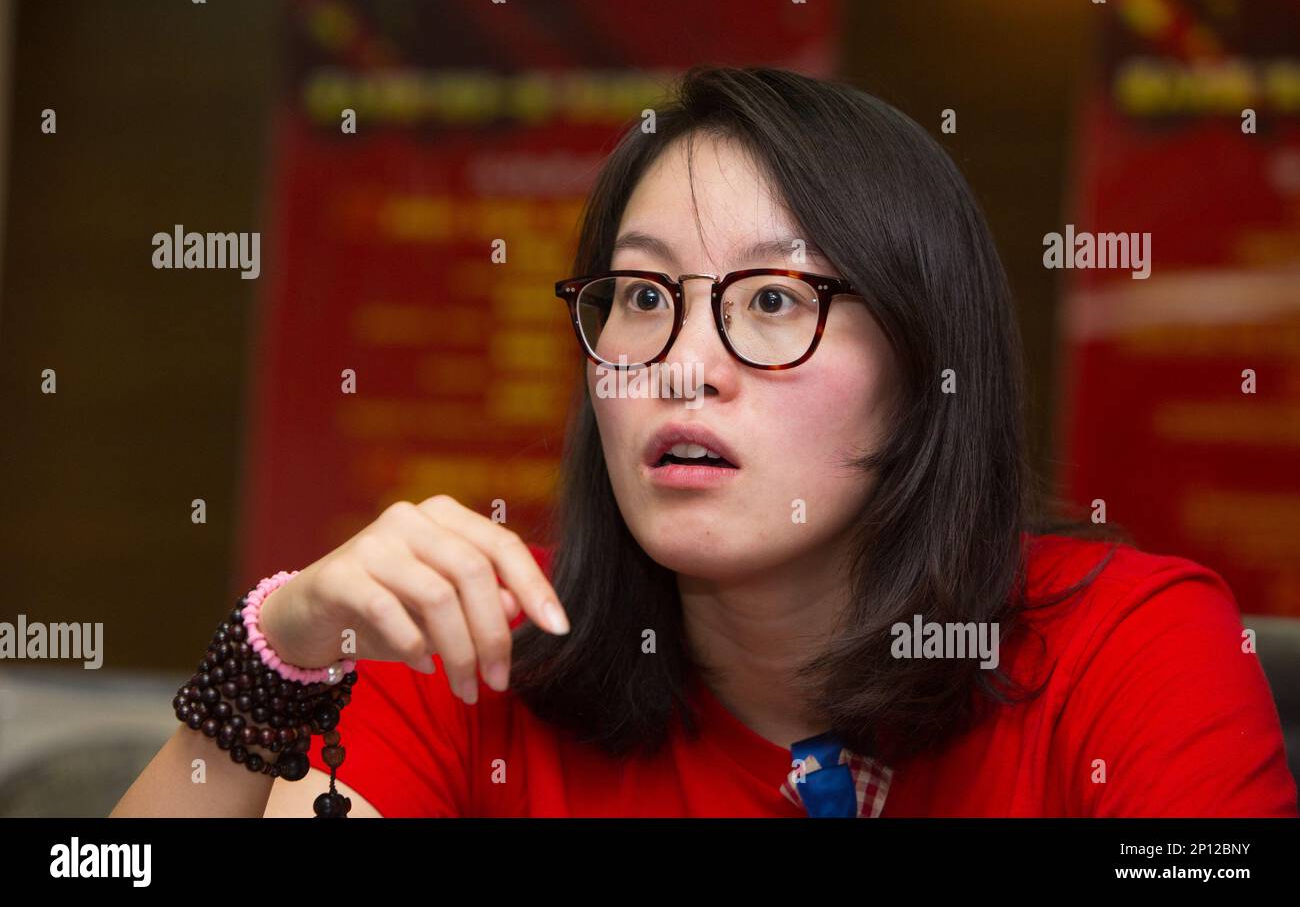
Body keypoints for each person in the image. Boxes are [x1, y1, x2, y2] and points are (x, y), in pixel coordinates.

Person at [112, 65, 1298, 818]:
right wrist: (277, 656)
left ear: (926, 365)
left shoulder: (1129, 646)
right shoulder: (474, 659)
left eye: (773, 301)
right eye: (640, 295)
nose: (682, 361)